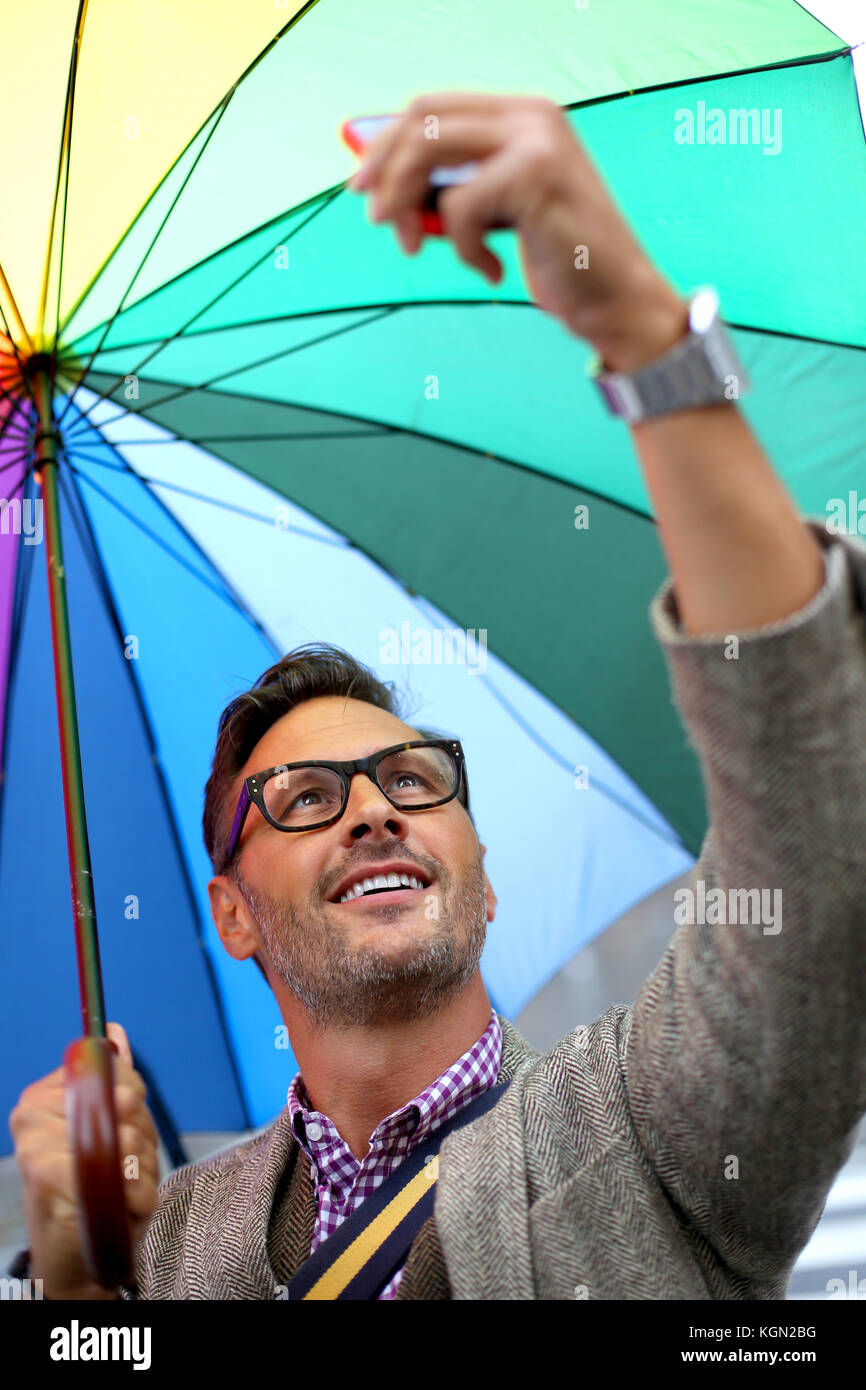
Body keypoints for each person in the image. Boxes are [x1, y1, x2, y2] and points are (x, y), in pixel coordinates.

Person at [10, 93, 866, 1301]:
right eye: (305, 797)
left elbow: (813, 839)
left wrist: (633, 323)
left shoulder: (650, 1124)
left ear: (483, 875)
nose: (374, 812)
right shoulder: (166, 1242)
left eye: (413, 781)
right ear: (231, 913)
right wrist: (80, 1294)